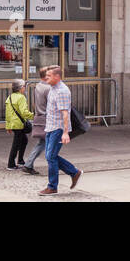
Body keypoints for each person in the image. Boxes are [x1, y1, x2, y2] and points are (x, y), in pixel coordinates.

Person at [38, 65, 82, 196]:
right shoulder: (52, 88)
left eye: (49, 76)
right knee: (50, 156)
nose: (46, 78)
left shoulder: (62, 91)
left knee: (50, 157)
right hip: (51, 126)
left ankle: (52, 186)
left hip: (58, 128)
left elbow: (65, 113)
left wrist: (65, 132)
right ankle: (74, 172)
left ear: (57, 77)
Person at [21, 66, 51, 175]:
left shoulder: (38, 86)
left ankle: (29, 164)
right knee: (46, 143)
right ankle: (29, 164)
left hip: (40, 115)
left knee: (43, 142)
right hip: (46, 117)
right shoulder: (48, 88)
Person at [4, 78, 34, 170]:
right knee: (16, 144)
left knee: (23, 140)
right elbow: (24, 112)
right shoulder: (21, 97)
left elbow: (8, 113)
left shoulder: (10, 97)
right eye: (24, 86)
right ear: (20, 88)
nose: (25, 88)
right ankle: (11, 164)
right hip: (19, 124)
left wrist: (8, 126)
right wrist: (35, 116)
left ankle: (20, 161)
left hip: (13, 124)